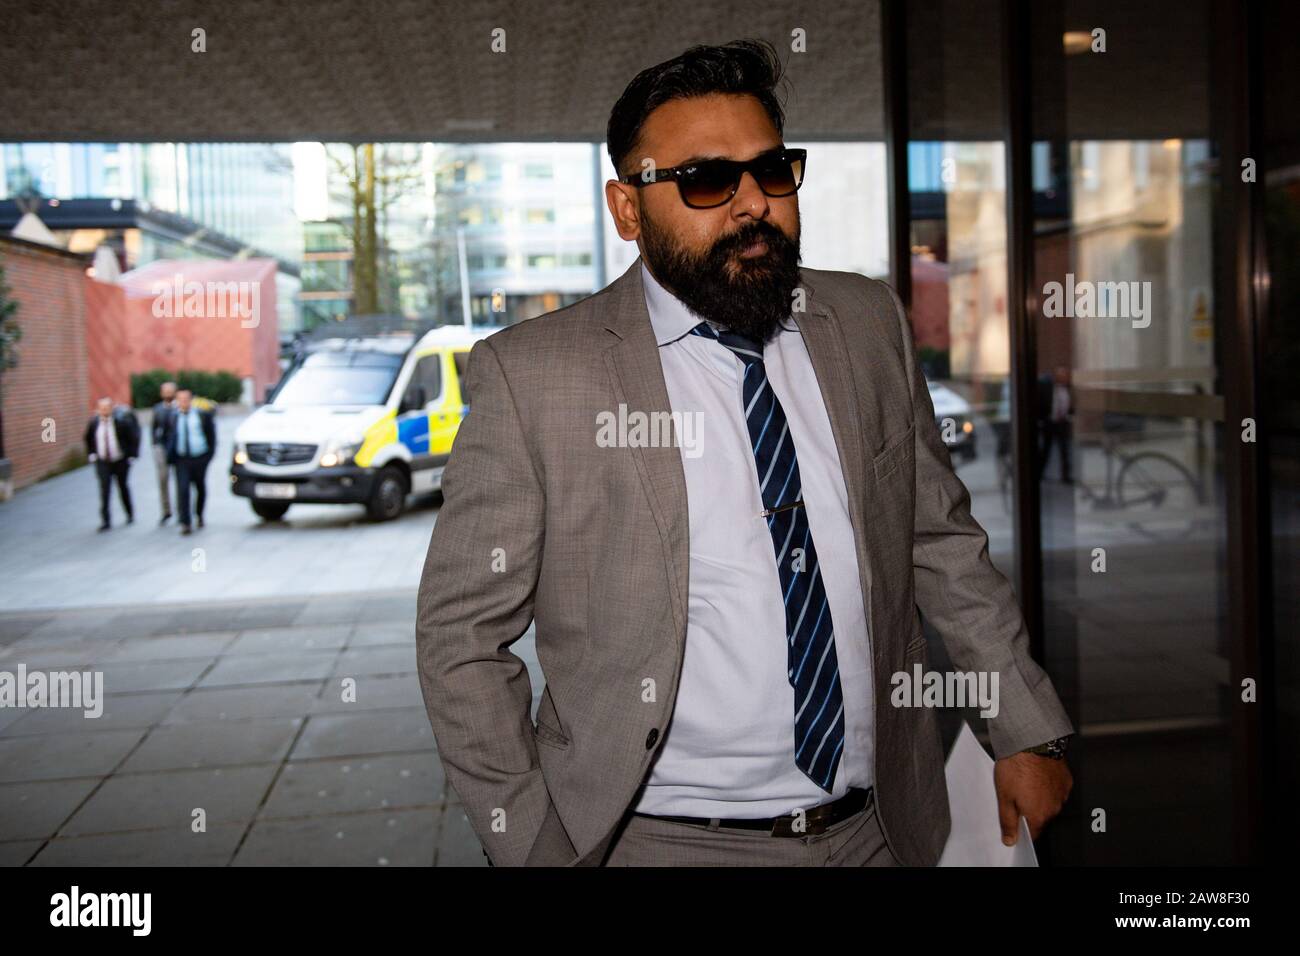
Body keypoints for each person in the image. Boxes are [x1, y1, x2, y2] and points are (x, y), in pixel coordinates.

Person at [416, 39, 1074, 867]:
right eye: (705, 180)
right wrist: (532, 845)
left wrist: (1022, 727)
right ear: (628, 209)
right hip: (657, 842)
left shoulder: (868, 325)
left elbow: (939, 541)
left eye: (772, 171)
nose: (752, 204)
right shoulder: (535, 375)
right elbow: (460, 637)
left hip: (882, 829)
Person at [84, 397, 140, 531]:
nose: (104, 411)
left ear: (112, 409)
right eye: (101, 408)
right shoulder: (94, 423)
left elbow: (132, 438)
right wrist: (92, 454)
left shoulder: (121, 422)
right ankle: (105, 520)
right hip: (103, 461)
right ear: (98, 409)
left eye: (107, 408)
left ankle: (129, 514)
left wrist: (132, 455)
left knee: (123, 487)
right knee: (104, 490)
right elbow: (88, 439)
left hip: (120, 460)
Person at [166, 388, 216, 536]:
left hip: (199, 457)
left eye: (186, 399)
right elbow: (165, 436)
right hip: (181, 459)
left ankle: (199, 514)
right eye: (180, 399)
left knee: (200, 487)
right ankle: (185, 522)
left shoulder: (202, 415)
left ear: (191, 400)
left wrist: (209, 456)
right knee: (183, 489)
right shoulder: (172, 417)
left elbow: (211, 436)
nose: (183, 402)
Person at [1039, 365, 1074, 483]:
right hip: (1050, 422)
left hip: (1062, 423)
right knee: (1046, 450)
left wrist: (1069, 415)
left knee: (1064, 450)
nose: (1063, 378)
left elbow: (1071, 405)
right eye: (1060, 375)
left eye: (1065, 375)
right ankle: (1039, 473)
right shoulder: (1047, 388)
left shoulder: (1068, 389)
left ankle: (1066, 475)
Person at [151, 380, 178, 524]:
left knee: (180, 480)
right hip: (161, 447)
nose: (167, 393)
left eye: (170, 391)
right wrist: (155, 445)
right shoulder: (157, 409)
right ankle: (166, 510)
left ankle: (182, 510)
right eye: (165, 391)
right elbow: (154, 428)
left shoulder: (179, 407)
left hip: (177, 448)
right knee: (163, 479)